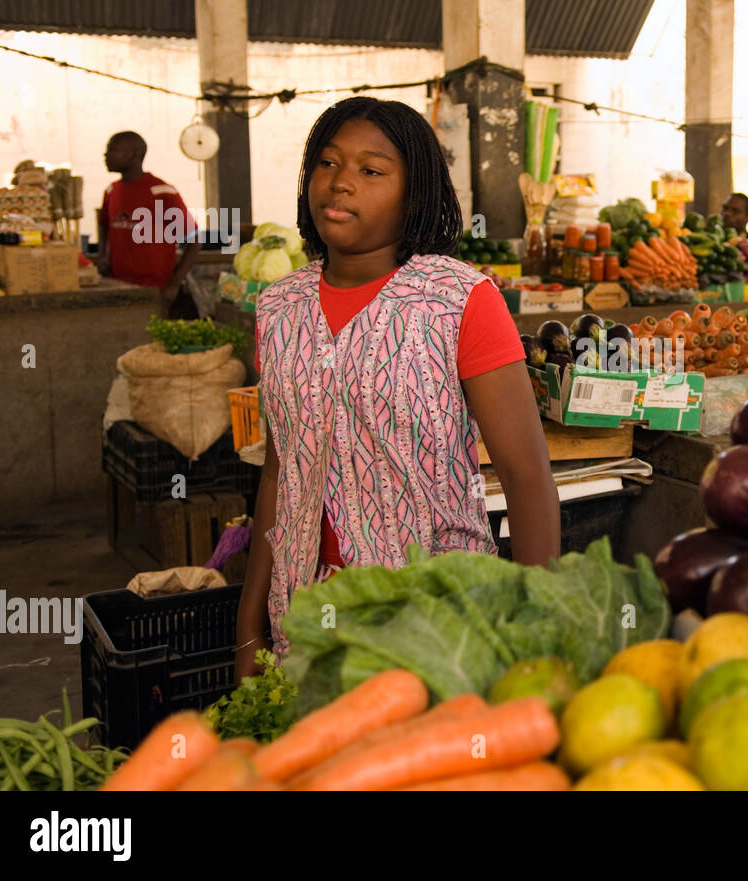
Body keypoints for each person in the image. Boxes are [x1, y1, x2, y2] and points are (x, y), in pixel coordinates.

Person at [234, 97, 561, 676]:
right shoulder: (278, 306)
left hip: (436, 624)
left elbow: (527, 475)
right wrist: (248, 627)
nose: (340, 184)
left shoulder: (459, 300)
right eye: (328, 164)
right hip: (307, 621)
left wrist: (534, 635)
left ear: (414, 194)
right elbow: (278, 472)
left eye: (371, 170)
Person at [96, 131, 199, 306]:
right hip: (117, 285)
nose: (106, 155)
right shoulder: (111, 191)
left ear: (133, 155)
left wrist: (174, 284)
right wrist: (102, 255)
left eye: (113, 150)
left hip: (155, 288)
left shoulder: (162, 192)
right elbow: (104, 224)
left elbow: (194, 239)